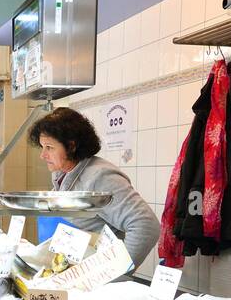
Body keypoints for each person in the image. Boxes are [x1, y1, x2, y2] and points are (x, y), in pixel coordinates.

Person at [28, 106, 160, 270]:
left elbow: (146, 225)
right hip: (77, 269)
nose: (43, 155)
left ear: (71, 146)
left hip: (98, 276)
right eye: (42, 147)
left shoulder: (100, 177)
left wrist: (115, 272)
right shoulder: (61, 174)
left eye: (49, 148)